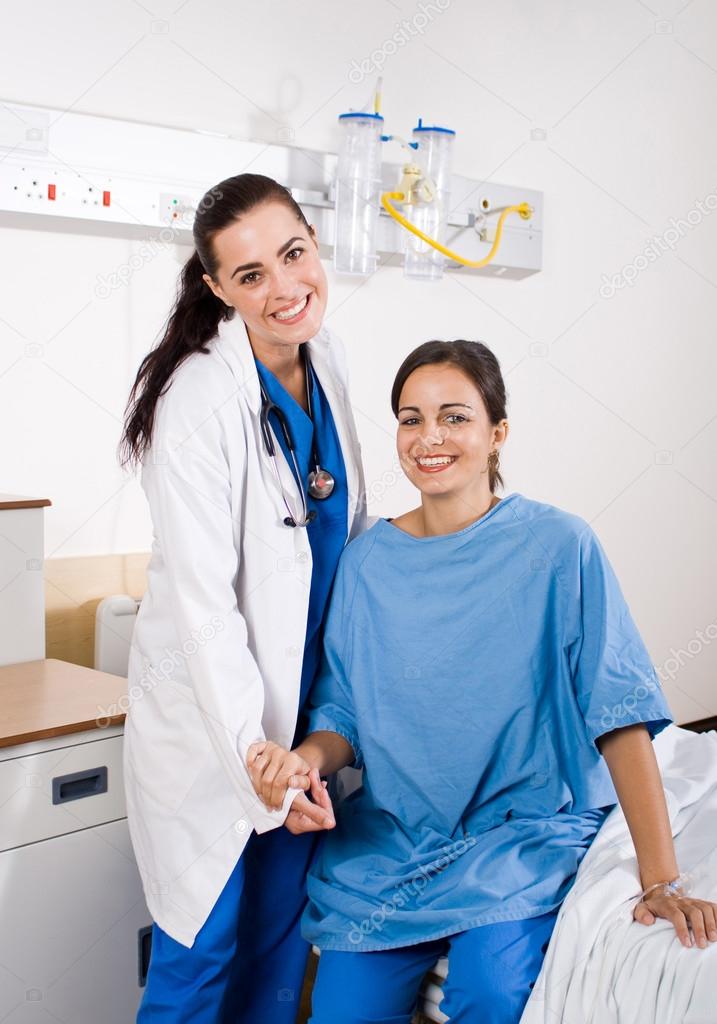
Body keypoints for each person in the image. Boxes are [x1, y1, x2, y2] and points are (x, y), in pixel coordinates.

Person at [247, 339, 717, 1024]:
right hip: (393, 841)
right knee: (345, 1012)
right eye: (410, 419)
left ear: (496, 432)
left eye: (454, 417)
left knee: (489, 997)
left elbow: (618, 712)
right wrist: (303, 762)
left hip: (518, 837)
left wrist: (659, 878)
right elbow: (341, 713)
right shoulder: (365, 562)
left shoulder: (558, 545)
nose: (429, 438)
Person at [119, 173, 360, 1022]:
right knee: (199, 959)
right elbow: (203, 610)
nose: (284, 287)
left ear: (315, 244)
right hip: (213, 737)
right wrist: (255, 756)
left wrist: (310, 747)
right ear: (217, 288)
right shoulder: (197, 401)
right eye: (251, 274)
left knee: (275, 951)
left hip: (298, 734)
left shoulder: (325, 364)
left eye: (292, 254)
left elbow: (338, 551)